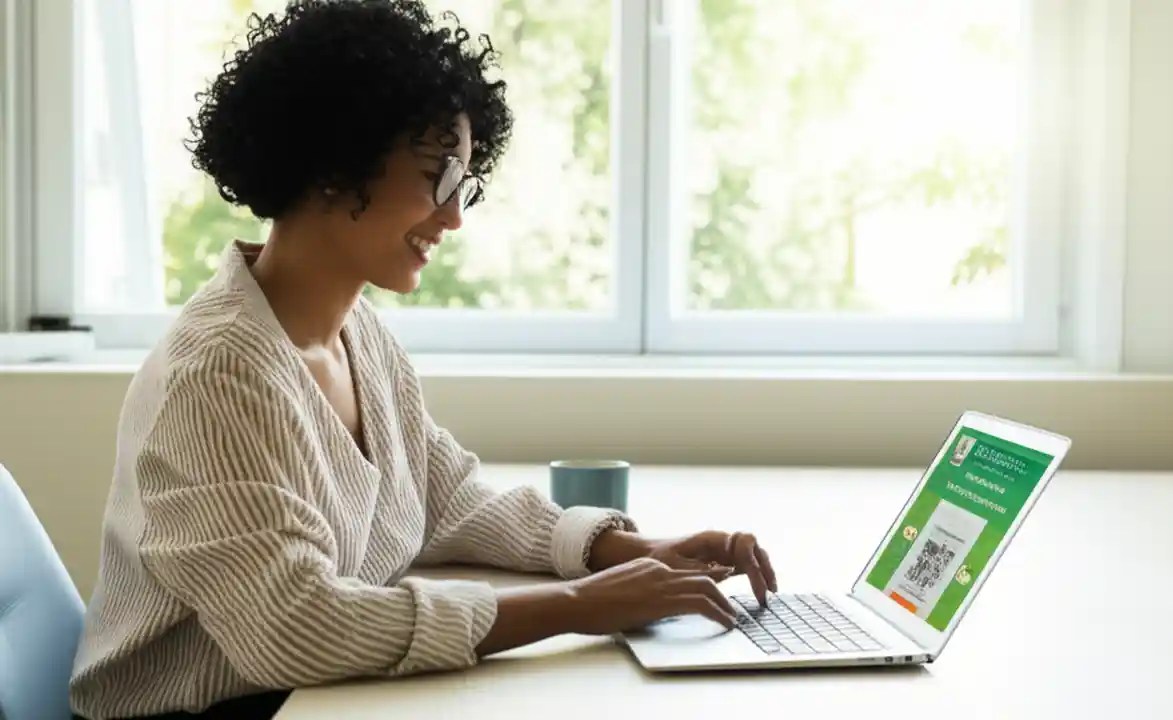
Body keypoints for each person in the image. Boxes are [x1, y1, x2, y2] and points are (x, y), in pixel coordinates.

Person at [68, 2, 777, 718]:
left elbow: (443, 499)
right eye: (439, 178)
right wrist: (576, 606)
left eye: (464, 185)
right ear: (333, 164)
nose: (455, 217)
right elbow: (294, 629)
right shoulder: (219, 374)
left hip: (305, 699)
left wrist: (624, 550)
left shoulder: (358, 334)